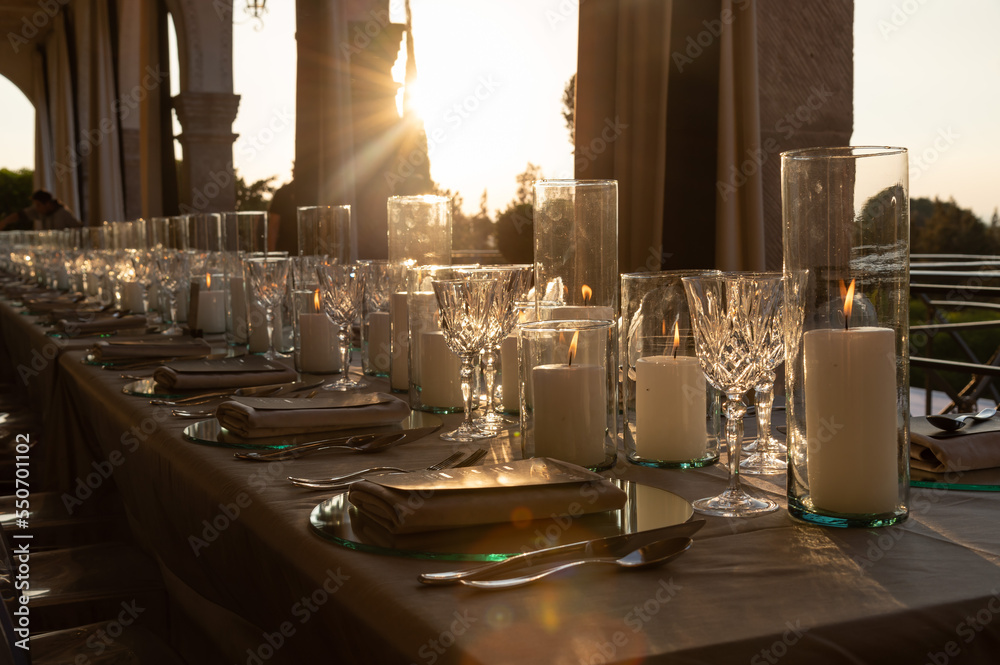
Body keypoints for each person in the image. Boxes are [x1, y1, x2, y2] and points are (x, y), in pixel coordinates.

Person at [0, 190, 83, 230]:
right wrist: (4, 222)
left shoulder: (63, 213)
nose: (36, 208)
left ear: (47, 204)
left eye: (38, 205)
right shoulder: (39, 211)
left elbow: (79, 230)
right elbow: (20, 215)